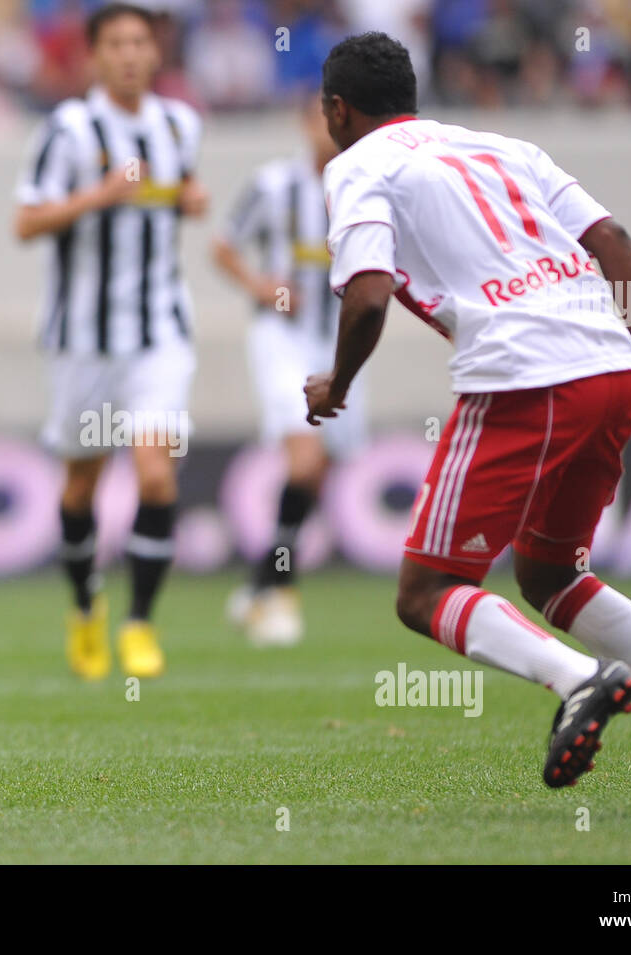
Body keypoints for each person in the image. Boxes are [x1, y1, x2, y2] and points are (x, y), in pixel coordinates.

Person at [306, 32, 631, 810]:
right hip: (611, 371)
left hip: (524, 376)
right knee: (551, 573)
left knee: (425, 591)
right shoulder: (500, 144)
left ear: (336, 110)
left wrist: (337, 382)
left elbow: (369, 293)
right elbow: (611, 239)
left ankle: (578, 676)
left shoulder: (355, 165)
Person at [14, 3, 207, 680]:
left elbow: (183, 189)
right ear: (94, 55)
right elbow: (27, 221)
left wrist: (189, 197)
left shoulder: (180, 123)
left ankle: (140, 624)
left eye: (141, 42)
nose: (130, 54)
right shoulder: (68, 129)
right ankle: (85, 604)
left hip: (160, 332)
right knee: (80, 486)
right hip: (83, 339)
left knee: (155, 471)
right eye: (117, 43)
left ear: (156, 53)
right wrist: (97, 196)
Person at [214, 94, 368, 647]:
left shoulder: (366, 187)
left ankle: (260, 583)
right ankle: (278, 595)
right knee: (303, 462)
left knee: (321, 471)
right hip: (281, 337)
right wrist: (263, 287)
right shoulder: (273, 185)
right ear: (305, 124)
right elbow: (223, 246)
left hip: (341, 339)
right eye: (318, 119)